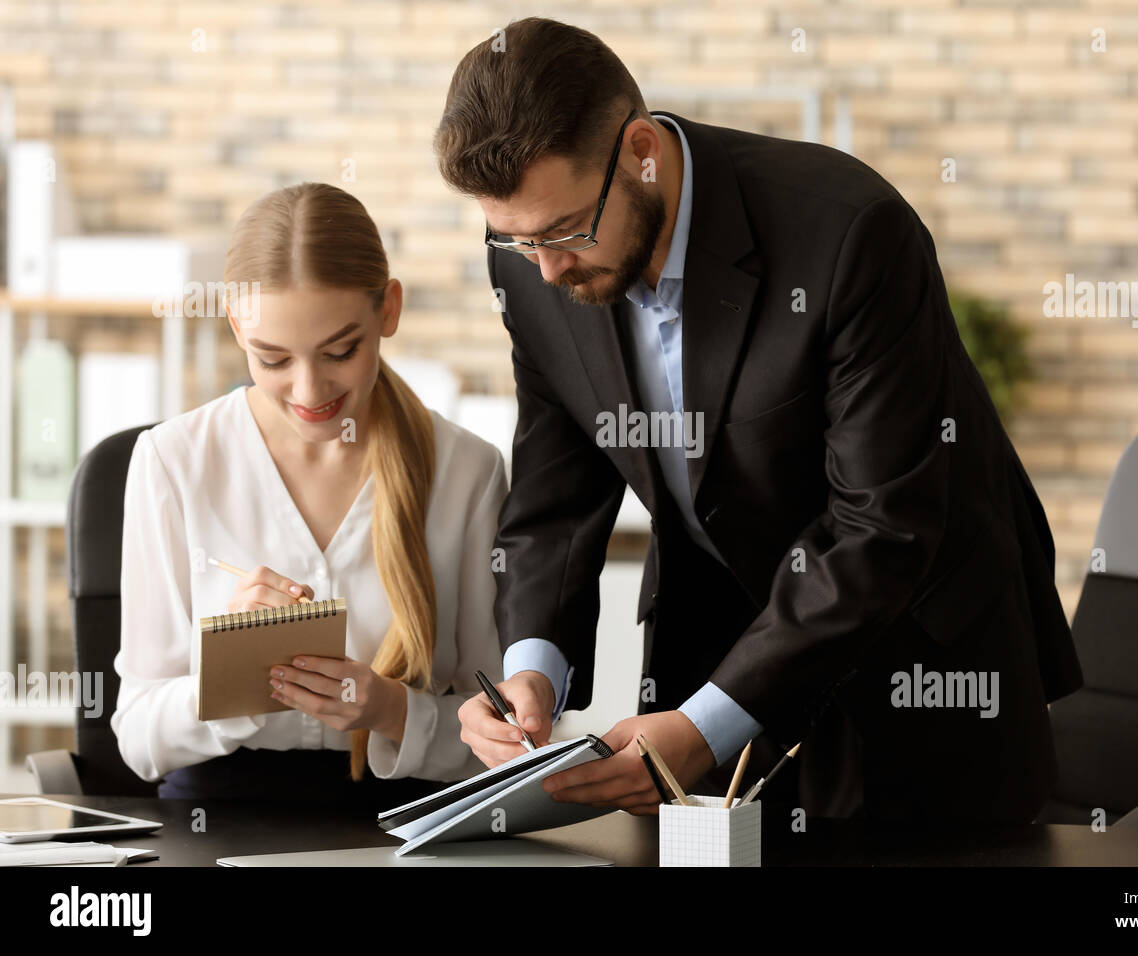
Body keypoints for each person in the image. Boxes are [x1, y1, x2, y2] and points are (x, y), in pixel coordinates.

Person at [447, 18, 1084, 824]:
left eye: (566, 232)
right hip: (704, 663)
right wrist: (530, 672)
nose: (545, 268)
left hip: (916, 673)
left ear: (640, 149)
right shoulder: (537, 257)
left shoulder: (850, 232)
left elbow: (878, 526)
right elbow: (555, 496)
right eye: (514, 240)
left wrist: (702, 726)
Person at [111, 182, 507, 809]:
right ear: (237, 326)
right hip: (213, 825)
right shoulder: (173, 461)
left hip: (402, 827)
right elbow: (137, 739)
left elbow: (505, 739)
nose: (308, 389)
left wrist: (392, 711)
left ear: (389, 312)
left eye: (340, 351)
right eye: (272, 359)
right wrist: (227, 678)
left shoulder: (469, 473)